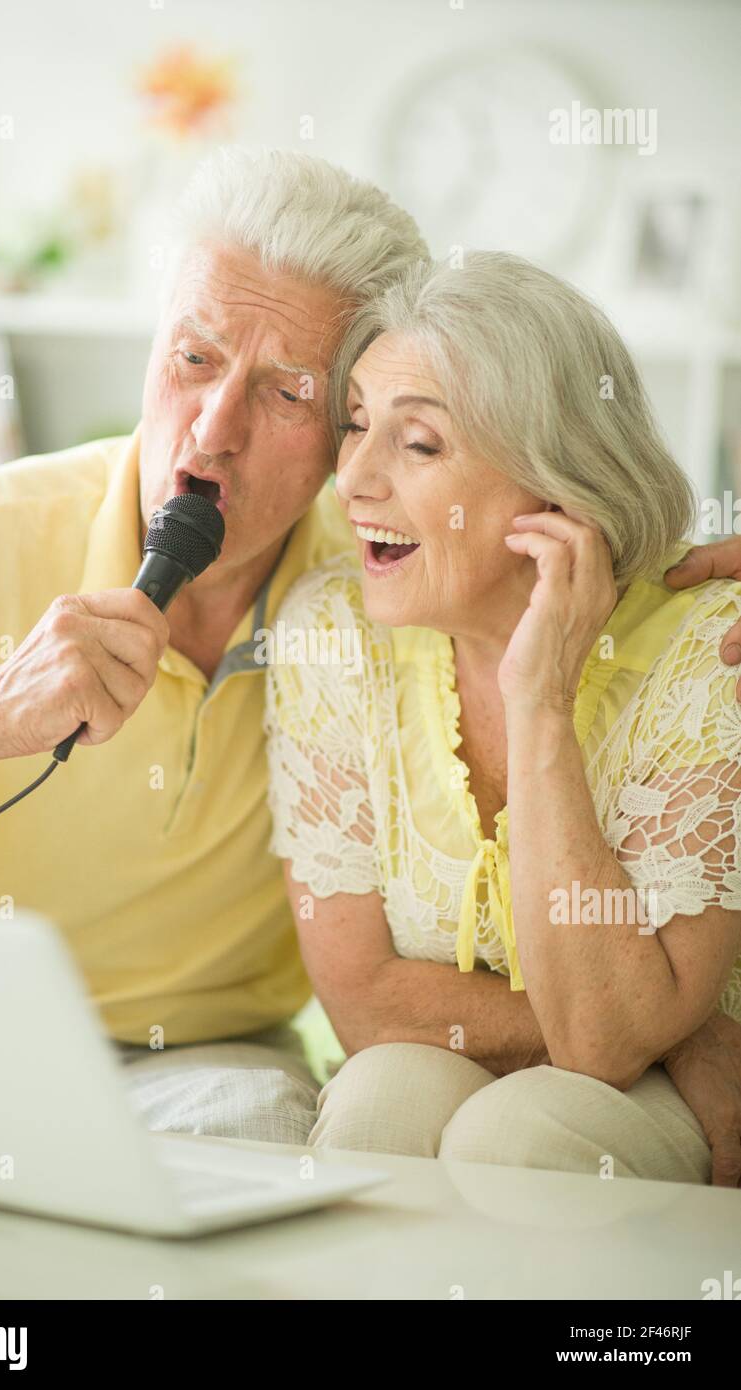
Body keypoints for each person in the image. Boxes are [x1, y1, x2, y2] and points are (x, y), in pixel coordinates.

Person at [0, 148, 428, 1144]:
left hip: (212, 1068)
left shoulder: (387, 582)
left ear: (352, 430)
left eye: (283, 392)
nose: (211, 431)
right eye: (193, 358)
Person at [265, 252, 741, 1183]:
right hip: (661, 1051)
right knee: (376, 1101)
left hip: (666, 1098)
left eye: (419, 444)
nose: (351, 482)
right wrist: (682, 1033)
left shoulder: (707, 651)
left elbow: (601, 1045)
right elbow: (363, 1001)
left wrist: (539, 701)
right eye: (356, 426)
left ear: (557, 487)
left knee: (518, 1143)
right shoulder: (331, 633)